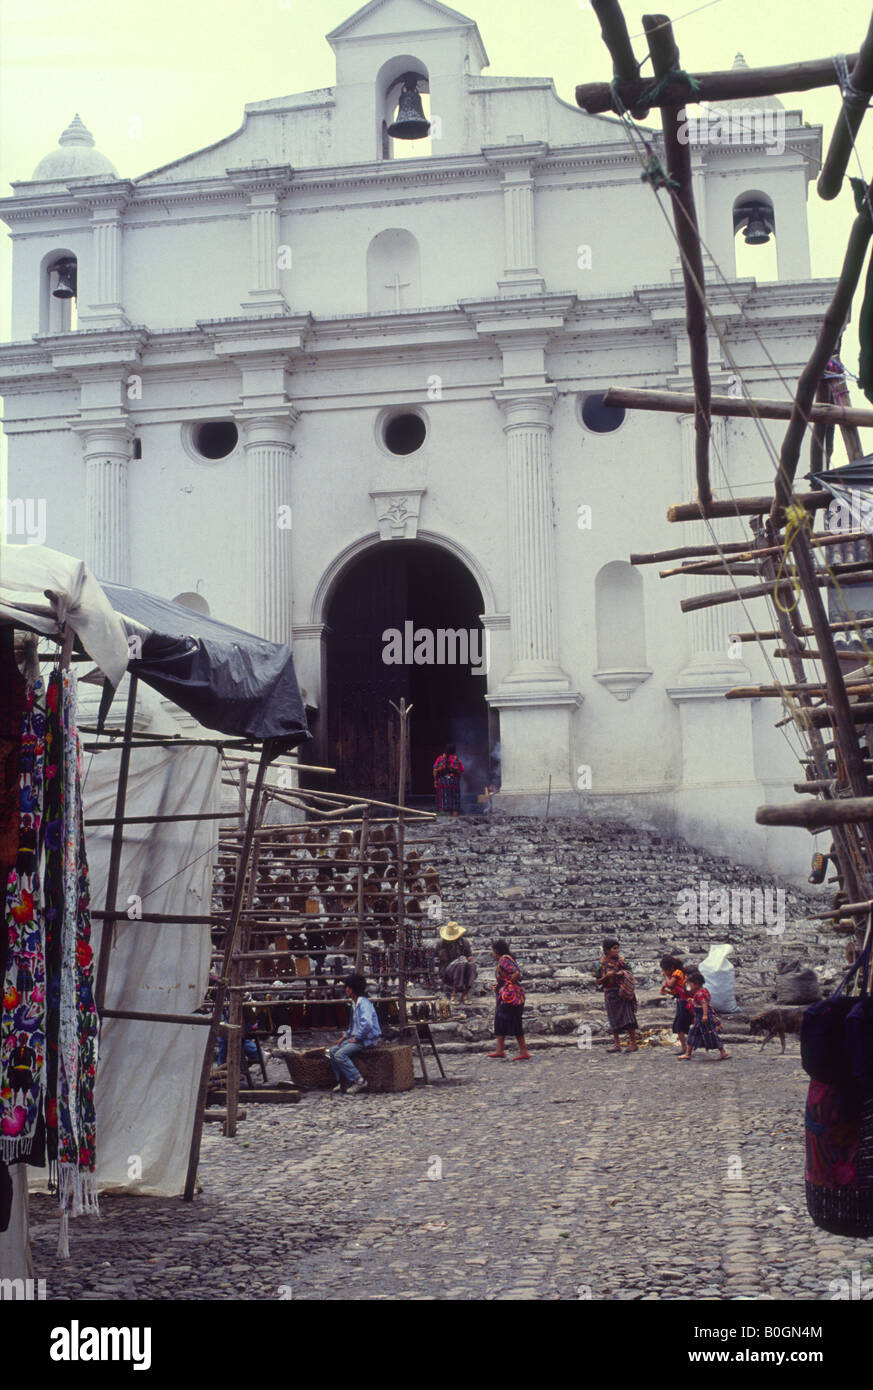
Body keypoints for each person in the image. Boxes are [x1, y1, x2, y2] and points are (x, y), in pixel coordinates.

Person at [328, 973, 382, 1094]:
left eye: (347, 987)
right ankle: (341, 1081)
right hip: (358, 1038)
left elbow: (367, 1024)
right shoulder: (355, 1003)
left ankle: (359, 1080)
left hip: (366, 1039)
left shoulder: (364, 1004)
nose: (345, 989)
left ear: (352, 989)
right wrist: (345, 1037)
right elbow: (354, 1026)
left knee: (339, 1055)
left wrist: (357, 1038)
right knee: (332, 1051)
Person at [488, 939, 530, 1061]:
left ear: (496, 951)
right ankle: (500, 1050)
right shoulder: (508, 958)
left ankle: (523, 1051)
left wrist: (507, 985)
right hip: (509, 996)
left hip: (511, 997)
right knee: (500, 1020)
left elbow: (516, 974)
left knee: (514, 1021)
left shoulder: (504, 959)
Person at [595, 939, 639, 1054]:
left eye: (617, 948)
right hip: (610, 993)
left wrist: (622, 973)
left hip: (622, 992)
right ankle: (617, 1044)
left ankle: (633, 1043)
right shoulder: (599, 964)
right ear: (607, 950)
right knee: (613, 1018)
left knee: (629, 1018)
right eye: (614, 948)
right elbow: (598, 981)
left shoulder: (622, 961)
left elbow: (630, 972)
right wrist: (606, 977)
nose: (617, 951)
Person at [679, 969, 730, 1061]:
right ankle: (688, 1053)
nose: (690, 987)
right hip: (701, 1017)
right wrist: (693, 1001)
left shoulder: (700, 994)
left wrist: (705, 1015)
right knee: (697, 1033)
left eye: (690, 984)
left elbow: (704, 1003)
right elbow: (701, 1001)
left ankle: (688, 1053)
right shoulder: (704, 991)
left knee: (703, 1033)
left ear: (696, 983)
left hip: (702, 1017)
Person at [660, 953, 692, 1055]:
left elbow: (670, 984)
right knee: (679, 1025)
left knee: (680, 1025)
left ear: (671, 968)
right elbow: (675, 991)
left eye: (665, 970)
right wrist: (667, 992)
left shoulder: (677, 973)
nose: (665, 972)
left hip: (683, 1002)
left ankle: (685, 1047)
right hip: (680, 1000)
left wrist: (665, 976)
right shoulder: (677, 973)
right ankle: (685, 1047)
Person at [438, 921, 477, 1002]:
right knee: (460, 964)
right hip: (448, 970)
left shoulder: (464, 943)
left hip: (463, 968)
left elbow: (469, 955)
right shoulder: (441, 944)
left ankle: (465, 992)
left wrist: (469, 959)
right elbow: (438, 960)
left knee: (471, 965)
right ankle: (454, 992)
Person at [433, 744, 464, 816]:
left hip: (442, 782)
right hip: (454, 783)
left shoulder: (440, 759)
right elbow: (460, 771)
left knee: (443, 801)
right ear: (454, 750)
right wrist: (457, 779)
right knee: (454, 803)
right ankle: (454, 818)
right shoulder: (456, 760)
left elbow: (435, 770)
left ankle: (443, 818)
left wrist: (435, 780)